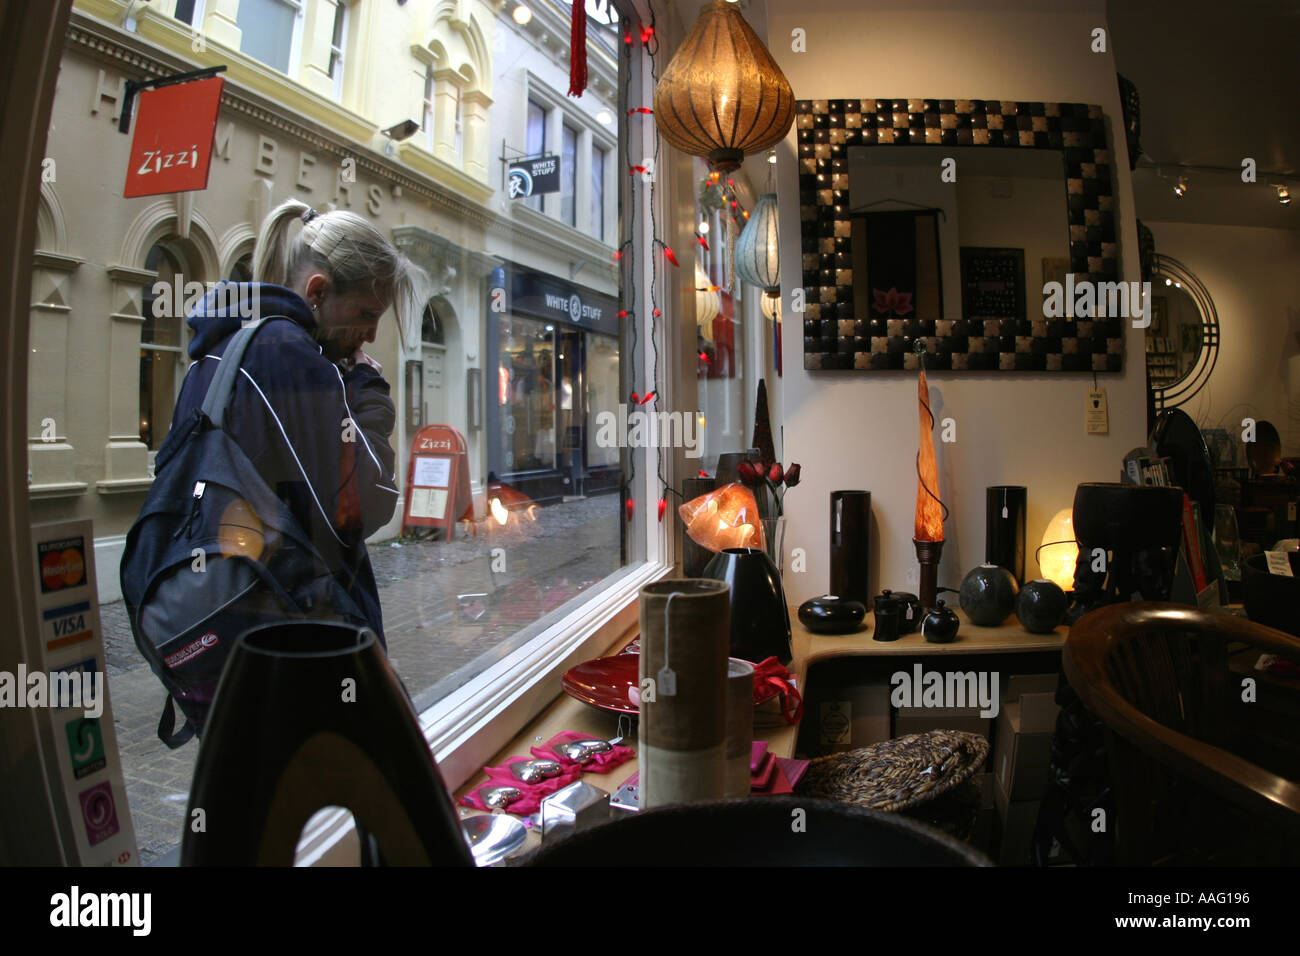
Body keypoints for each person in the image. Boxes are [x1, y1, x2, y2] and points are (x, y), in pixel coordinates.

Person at [174, 199, 426, 647]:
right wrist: (368, 389)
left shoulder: (215, 354)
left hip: (224, 628)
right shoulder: (291, 357)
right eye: (367, 314)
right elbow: (369, 503)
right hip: (301, 640)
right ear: (317, 292)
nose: (371, 335)